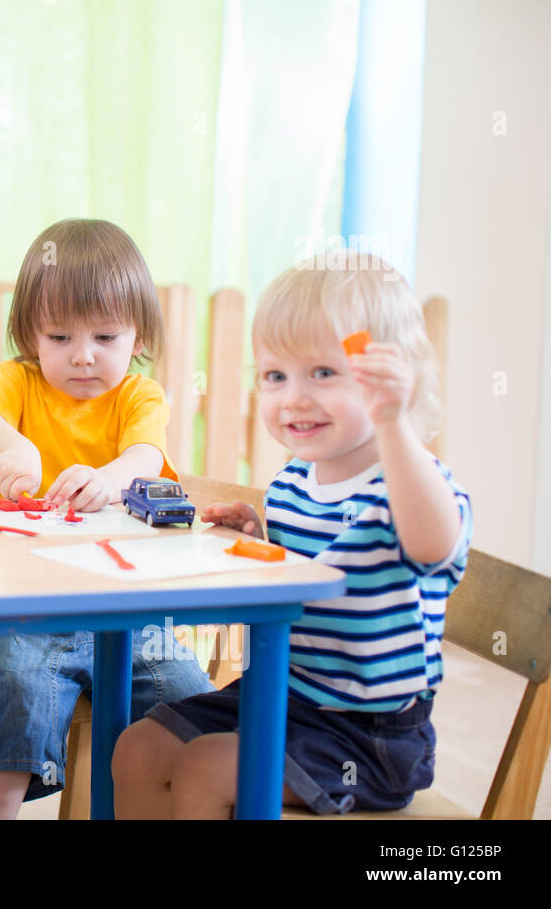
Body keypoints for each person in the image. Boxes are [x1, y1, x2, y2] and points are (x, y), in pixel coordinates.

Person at [113, 254, 471, 817]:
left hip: (366, 735)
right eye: (276, 376)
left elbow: (431, 543)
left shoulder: (412, 486)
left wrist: (394, 425)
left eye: (324, 373)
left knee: (208, 767)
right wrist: (260, 541)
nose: (295, 397)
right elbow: (302, 575)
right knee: (137, 748)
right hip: (283, 694)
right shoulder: (291, 484)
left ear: (391, 380)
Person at [0, 218, 212, 818]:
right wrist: (15, 450)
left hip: (129, 613)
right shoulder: (19, 379)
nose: (83, 354)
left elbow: (146, 456)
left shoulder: (139, 396)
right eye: (60, 335)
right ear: (30, 334)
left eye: (105, 335)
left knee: (191, 699)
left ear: (137, 334)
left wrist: (110, 477)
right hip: (28, 611)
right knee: (20, 691)